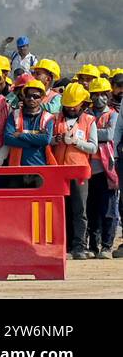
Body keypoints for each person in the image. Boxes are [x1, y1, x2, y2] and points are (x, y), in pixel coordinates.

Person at [52, 84, 98, 259]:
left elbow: (93, 147)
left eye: (74, 104)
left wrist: (76, 143)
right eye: (68, 104)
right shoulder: (56, 119)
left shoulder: (89, 120)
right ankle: (63, 246)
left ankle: (79, 246)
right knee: (61, 210)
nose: (71, 108)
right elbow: (48, 141)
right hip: (58, 171)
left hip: (79, 172)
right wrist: (56, 140)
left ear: (82, 104)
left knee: (80, 210)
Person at [85, 77, 117, 259]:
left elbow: (110, 134)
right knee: (92, 210)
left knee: (108, 210)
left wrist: (92, 134)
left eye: (102, 94)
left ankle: (106, 246)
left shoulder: (113, 115)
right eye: (95, 95)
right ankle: (93, 247)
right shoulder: (87, 114)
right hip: (89, 169)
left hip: (107, 170)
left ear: (108, 95)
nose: (99, 98)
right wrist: (98, 134)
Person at [5, 79, 55, 167]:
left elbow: (45, 140)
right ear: (24, 97)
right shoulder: (14, 115)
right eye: (28, 96)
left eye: (35, 96)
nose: (31, 99)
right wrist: (35, 143)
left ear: (42, 98)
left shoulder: (48, 118)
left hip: (41, 167)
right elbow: (8, 138)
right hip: (17, 168)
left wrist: (20, 135)